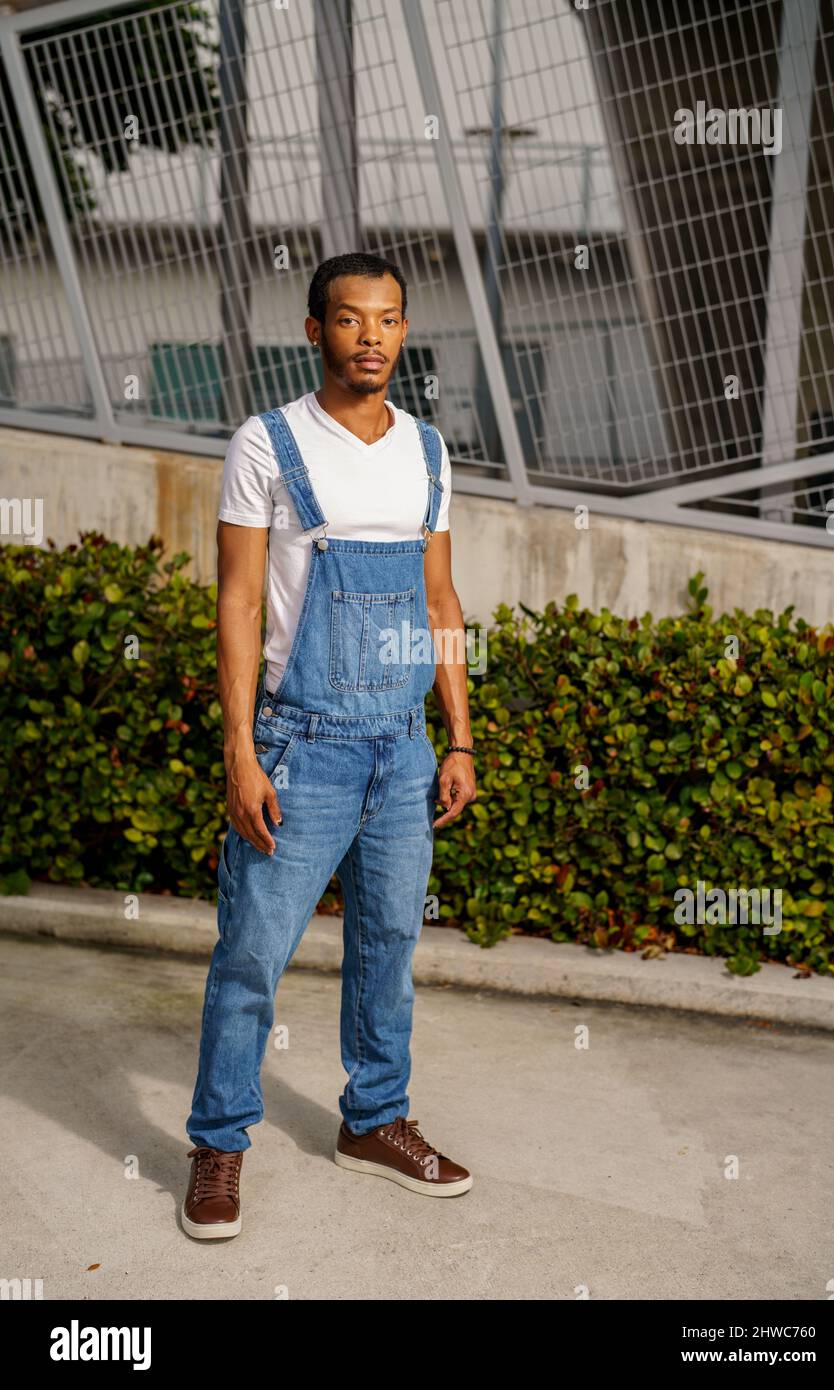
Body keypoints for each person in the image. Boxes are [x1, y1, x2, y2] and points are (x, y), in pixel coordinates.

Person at [182, 252, 477, 1238]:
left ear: (404, 331)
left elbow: (440, 599)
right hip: (300, 745)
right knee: (251, 957)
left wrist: (457, 739)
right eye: (350, 319)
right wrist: (239, 751)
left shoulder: (427, 450)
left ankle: (375, 1120)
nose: (370, 337)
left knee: (388, 948)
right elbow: (235, 602)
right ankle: (218, 1143)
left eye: (387, 319)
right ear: (315, 330)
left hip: (401, 746)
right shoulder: (265, 444)